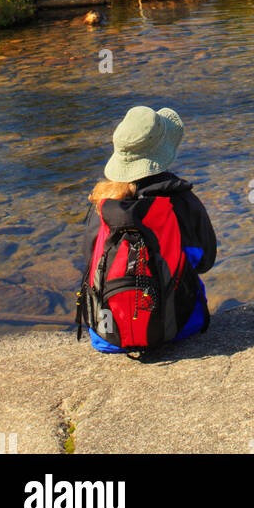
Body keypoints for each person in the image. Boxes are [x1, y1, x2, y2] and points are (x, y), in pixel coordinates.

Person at [77, 105, 217, 353]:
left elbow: (89, 261)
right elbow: (205, 261)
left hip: (109, 335)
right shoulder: (181, 200)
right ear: (161, 153)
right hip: (181, 327)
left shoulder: (103, 203)